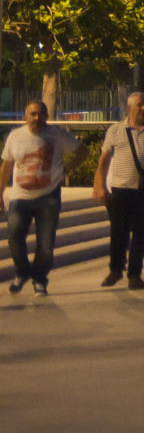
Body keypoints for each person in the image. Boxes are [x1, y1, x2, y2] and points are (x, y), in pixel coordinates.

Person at [93, 92, 144, 289]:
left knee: (141, 233)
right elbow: (104, 160)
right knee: (118, 232)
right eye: (140, 105)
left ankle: (135, 274)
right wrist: (99, 184)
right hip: (121, 188)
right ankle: (116, 269)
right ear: (129, 108)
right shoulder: (115, 130)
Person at [3, 100, 78, 296]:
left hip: (48, 197)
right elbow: (7, 166)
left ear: (46, 116)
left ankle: (39, 279)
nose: (37, 118)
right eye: (33, 114)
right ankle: (22, 271)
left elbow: (82, 151)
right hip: (20, 196)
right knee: (14, 236)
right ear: (25, 117)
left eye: (41, 114)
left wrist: (66, 170)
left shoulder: (57, 135)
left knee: (45, 243)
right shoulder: (15, 137)